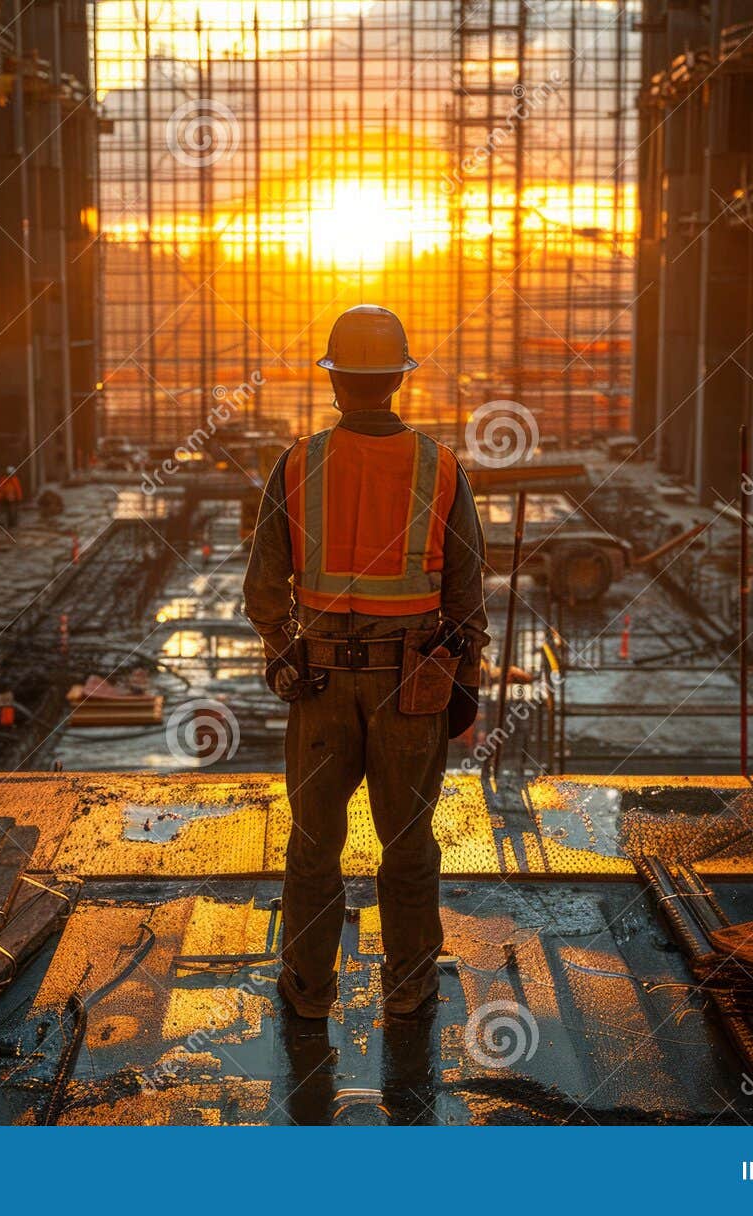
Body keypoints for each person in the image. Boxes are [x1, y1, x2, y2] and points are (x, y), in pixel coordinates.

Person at [243, 304, 489, 1021]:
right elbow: (467, 592)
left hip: (319, 683)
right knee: (409, 844)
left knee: (314, 844)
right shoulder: (439, 467)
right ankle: (409, 990)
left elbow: (264, 587)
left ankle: (311, 991)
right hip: (410, 686)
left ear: (336, 383)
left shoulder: (298, 462)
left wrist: (283, 652)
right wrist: (462, 686)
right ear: (395, 381)